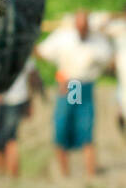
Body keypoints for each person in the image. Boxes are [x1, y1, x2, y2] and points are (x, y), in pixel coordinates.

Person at [36, 10, 113, 178]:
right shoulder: (64, 36)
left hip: (81, 86)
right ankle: (66, 174)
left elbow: (106, 59)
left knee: (84, 127)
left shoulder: (97, 39)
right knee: (64, 127)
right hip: (71, 86)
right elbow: (42, 51)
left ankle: (89, 173)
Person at [0, 55, 43, 177]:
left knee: (0, 140)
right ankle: (12, 176)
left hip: (2, 100)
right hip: (19, 100)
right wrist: (30, 103)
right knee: (11, 139)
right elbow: (32, 77)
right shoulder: (24, 50)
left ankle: (2, 174)